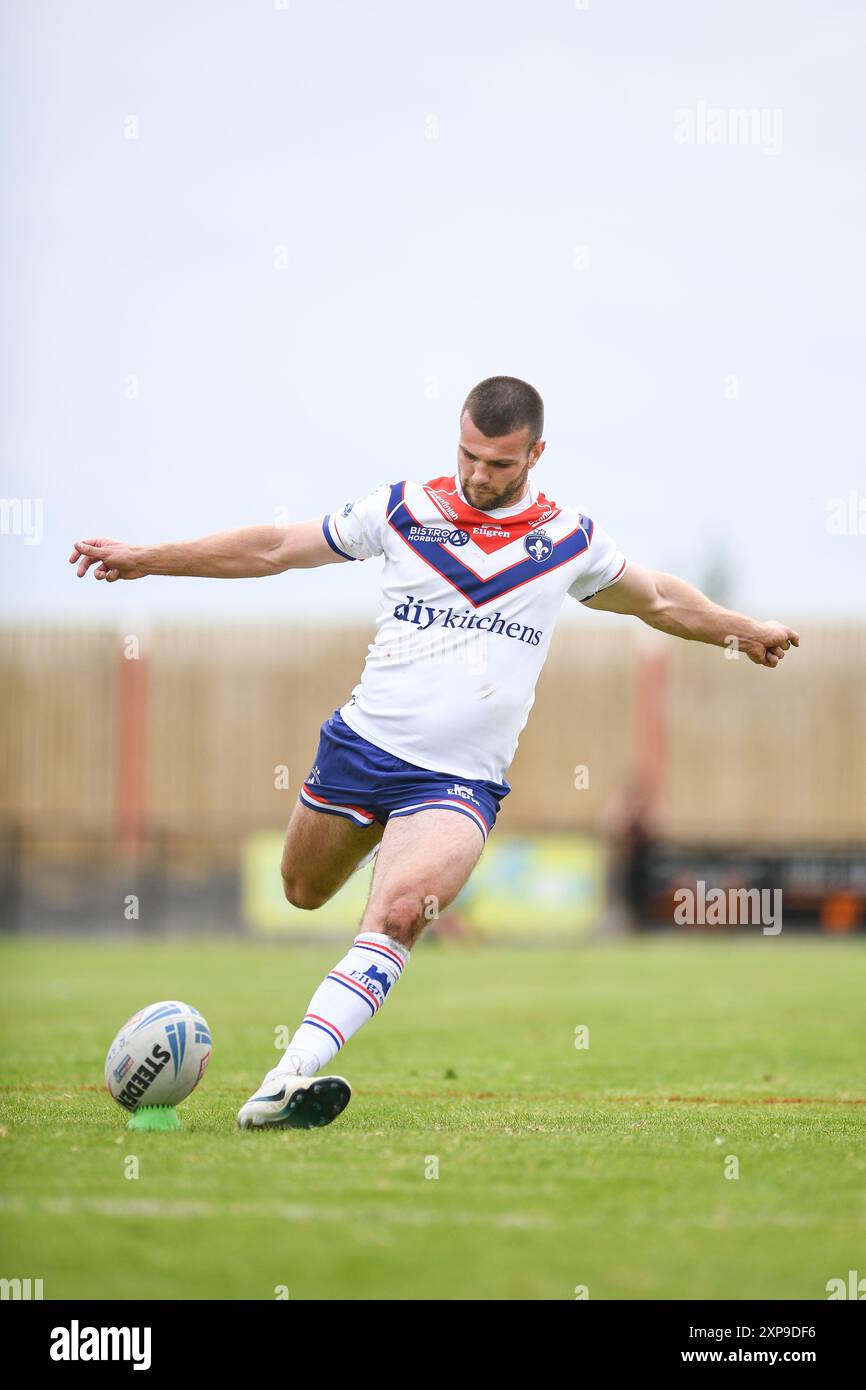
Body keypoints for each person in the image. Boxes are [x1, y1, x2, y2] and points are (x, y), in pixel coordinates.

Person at [70, 376, 799, 1131]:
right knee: (302, 890)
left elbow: (657, 599)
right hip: (360, 749)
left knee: (396, 917)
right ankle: (336, 945)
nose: (480, 475)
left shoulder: (569, 539)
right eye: (469, 455)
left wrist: (740, 629)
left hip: (458, 783)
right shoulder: (403, 509)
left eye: (501, 464)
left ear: (537, 455)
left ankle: (286, 1080)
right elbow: (277, 548)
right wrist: (149, 556)